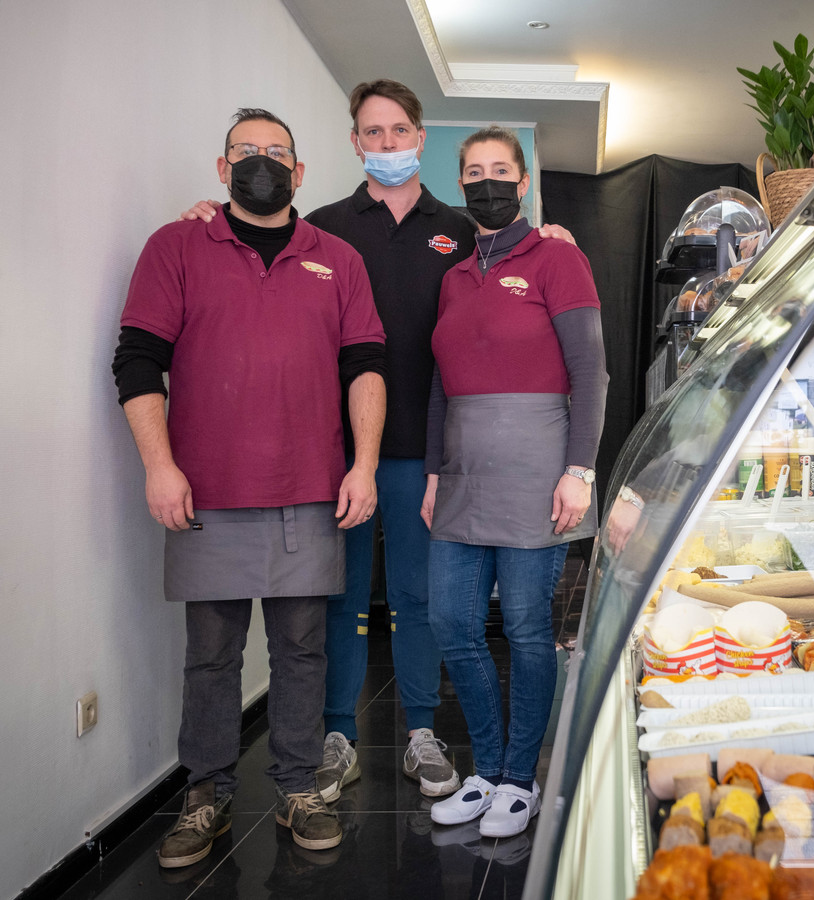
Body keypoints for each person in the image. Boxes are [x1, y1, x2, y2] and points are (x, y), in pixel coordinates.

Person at [180, 80, 576, 803]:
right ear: (354, 142)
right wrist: (209, 214)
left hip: (431, 454)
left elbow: (529, 272)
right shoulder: (321, 229)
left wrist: (552, 234)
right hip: (338, 454)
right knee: (337, 597)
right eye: (373, 132)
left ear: (422, 140)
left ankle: (421, 731)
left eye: (400, 131)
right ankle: (339, 733)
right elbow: (249, 231)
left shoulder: (463, 229)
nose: (387, 143)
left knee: (419, 596)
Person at [112, 108, 387, 866]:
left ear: (300, 173)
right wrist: (158, 464)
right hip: (206, 494)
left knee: (302, 650)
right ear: (222, 165)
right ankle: (206, 796)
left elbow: (366, 364)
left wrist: (362, 464)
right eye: (246, 152)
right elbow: (137, 359)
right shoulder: (176, 246)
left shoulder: (337, 259)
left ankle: (298, 787)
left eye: (277, 153)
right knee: (211, 656)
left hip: (310, 488)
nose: (261, 162)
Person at [422, 126, 607, 838]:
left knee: (529, 629)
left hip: (539, 466)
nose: (488, 182)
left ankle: (521, 777)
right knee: (452, 623)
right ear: (461, 184)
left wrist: (579, 470)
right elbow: (441, 385)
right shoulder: (453, 277)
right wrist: (436, 473)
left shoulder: (558, 257)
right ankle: (489, 769)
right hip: (463, 472)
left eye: (502, 170)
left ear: (523, 182)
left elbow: (591, 372)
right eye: (475, 171)